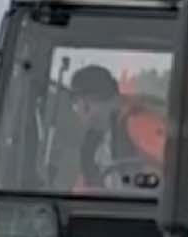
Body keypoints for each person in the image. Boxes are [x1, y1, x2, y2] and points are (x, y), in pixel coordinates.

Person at [67, 63, 166, 191]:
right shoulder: (92, 144)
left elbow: (174, 164)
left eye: (76, 104)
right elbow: (84, 188)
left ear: (86, 104)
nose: (78, 112)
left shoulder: (138, 123)